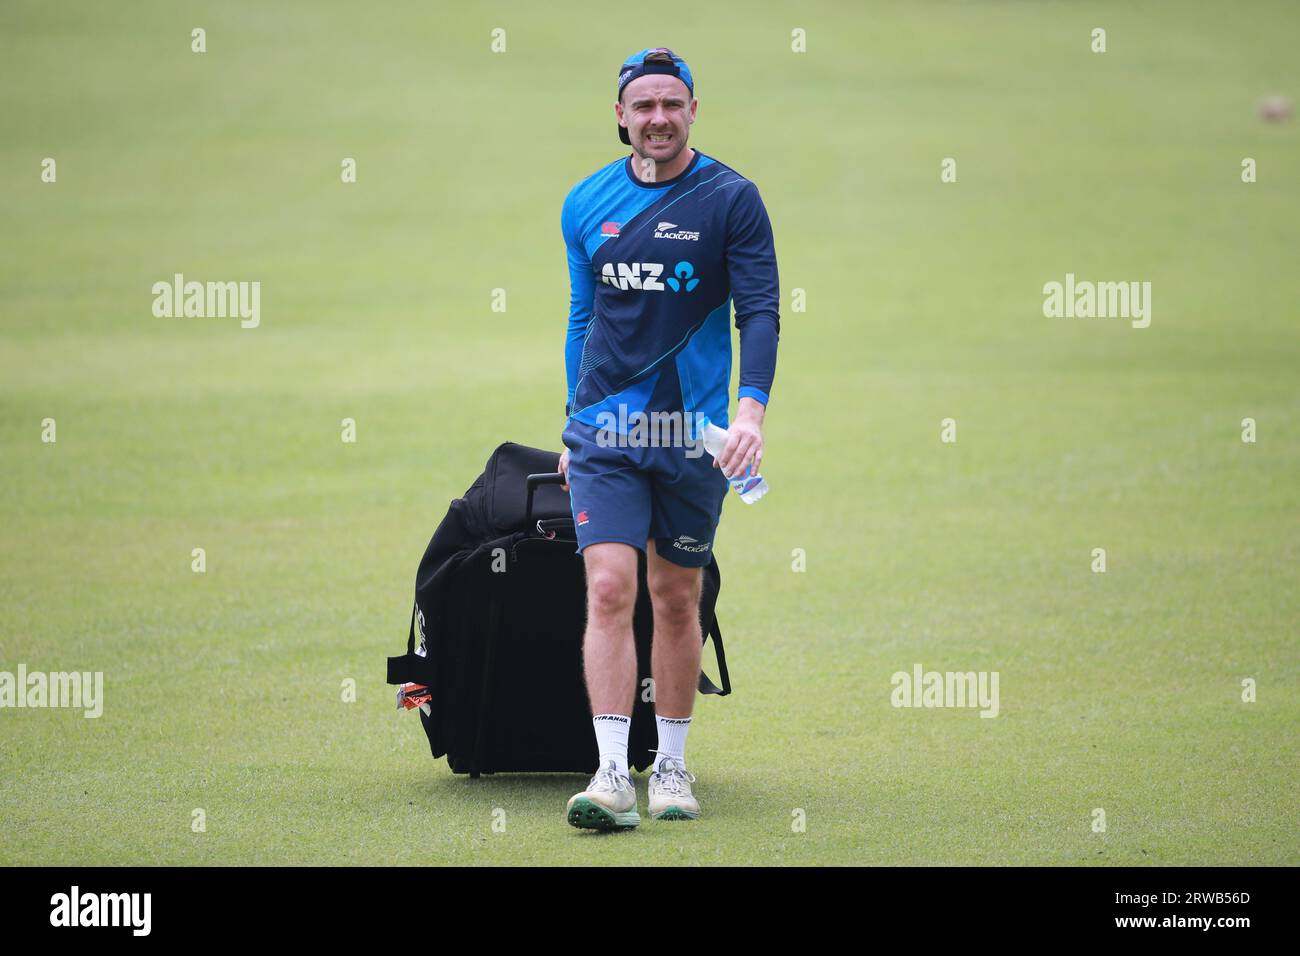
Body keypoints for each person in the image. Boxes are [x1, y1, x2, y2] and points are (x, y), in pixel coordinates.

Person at [557, 47, 780, 830]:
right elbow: (584, 321)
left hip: (692, 437)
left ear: (692, 111)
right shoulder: (586, 203)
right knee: (610, 588)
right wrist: (572, 420)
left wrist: (750, 411)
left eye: (671, 104)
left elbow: (759, 309)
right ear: (620, 113)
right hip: (606, 435)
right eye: (642, 105)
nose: (657, 118)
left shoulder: (731, 198)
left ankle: (674, 767)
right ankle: (613, 776)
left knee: (676, 597)